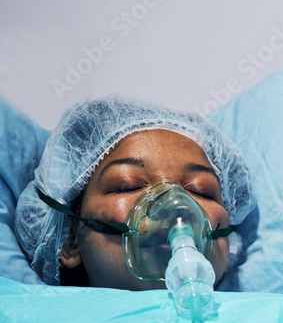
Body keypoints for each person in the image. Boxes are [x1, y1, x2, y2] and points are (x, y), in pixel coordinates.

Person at [15, 96, 255, 290]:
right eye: (129, 185)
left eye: (200, 190)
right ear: (69, 241)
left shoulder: (277, 322)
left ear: (228, 241)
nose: (177, 205)